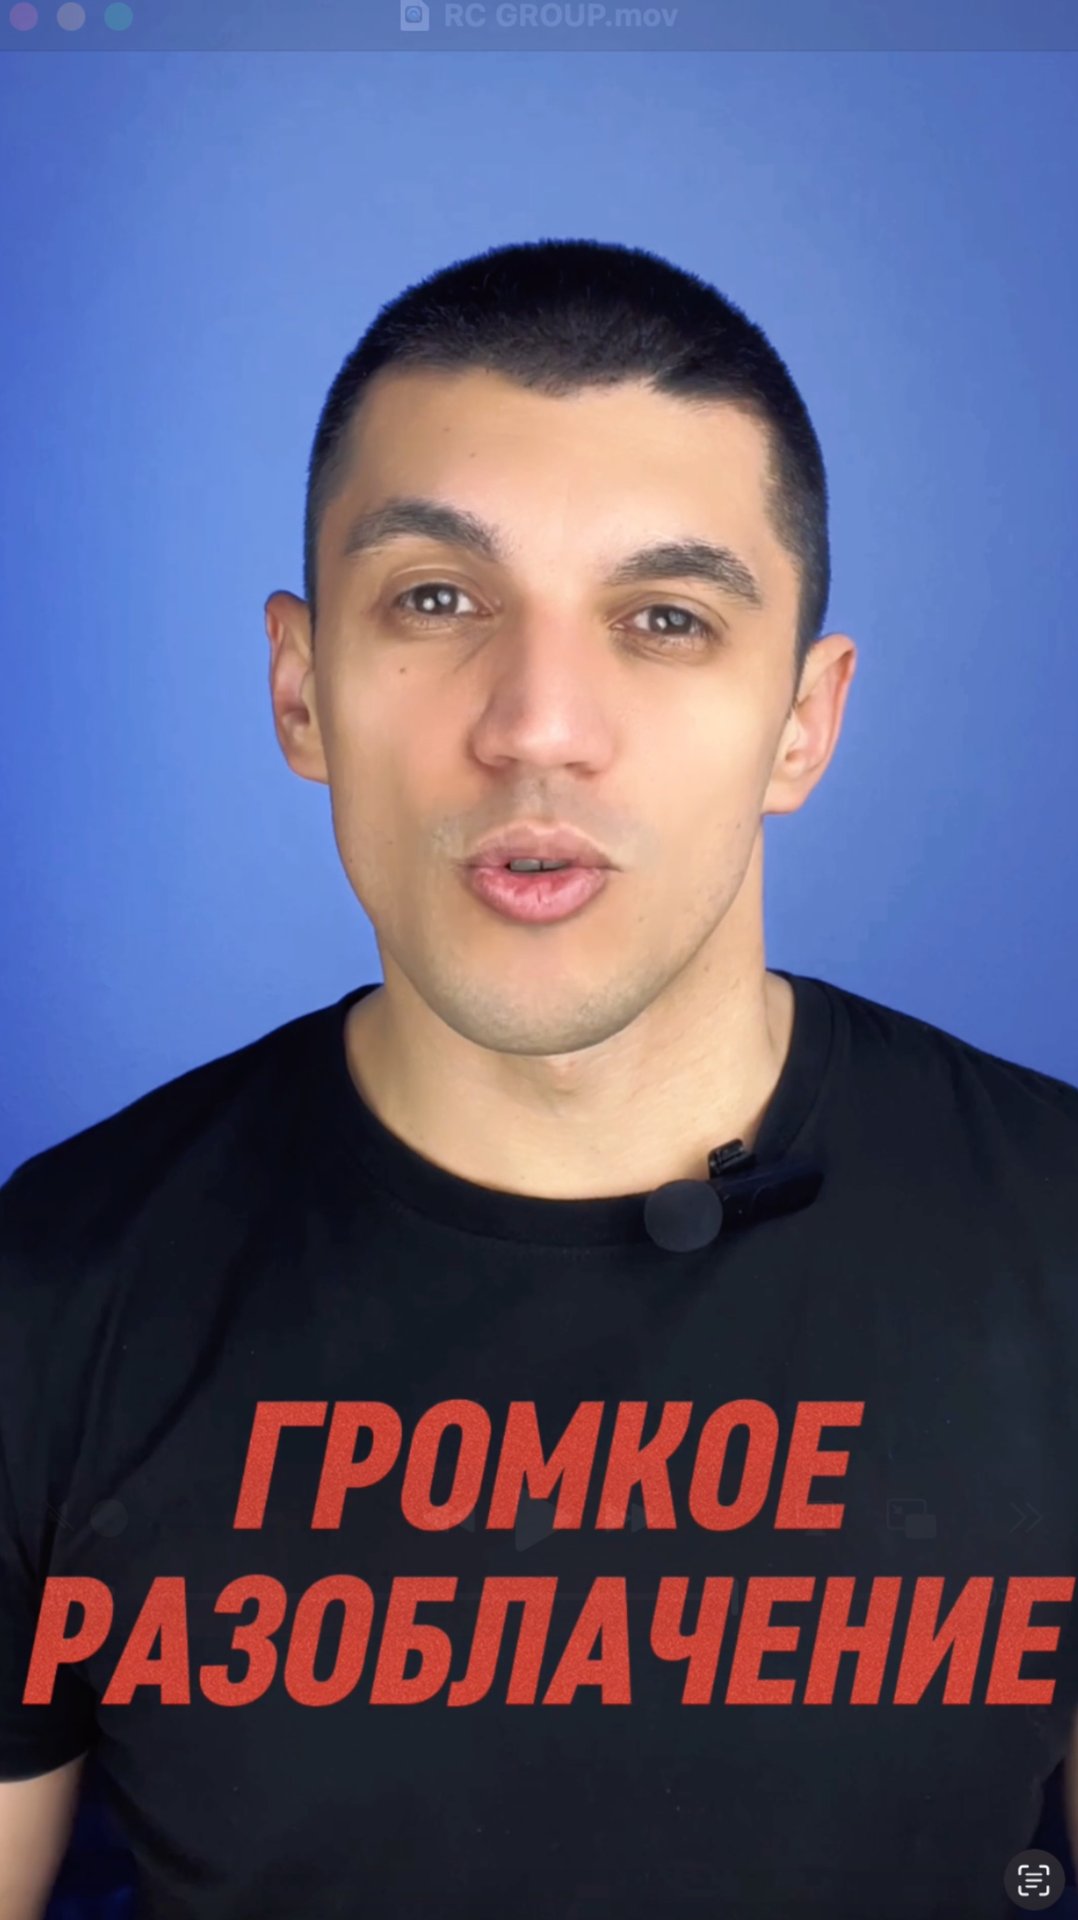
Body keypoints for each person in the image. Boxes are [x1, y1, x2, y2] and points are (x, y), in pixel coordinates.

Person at [1, 237, 1076, 1920]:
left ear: (802, 723)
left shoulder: (1057, 1243)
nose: (538, 724)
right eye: (435, 599)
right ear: (300, 688)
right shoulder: (50, 1299)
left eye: (664, 619)